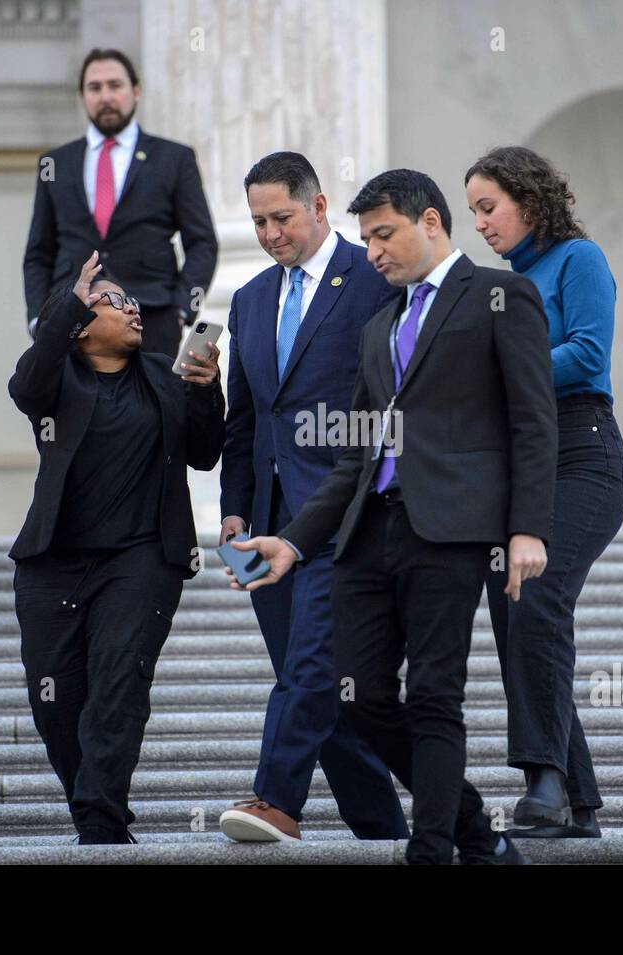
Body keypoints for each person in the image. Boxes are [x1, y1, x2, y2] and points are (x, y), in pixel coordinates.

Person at [228, 169, 558, 864]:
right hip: (364, 534)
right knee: (355, 694)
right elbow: (352, 457)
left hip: (449, 527)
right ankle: (475, 829)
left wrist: (529, 526)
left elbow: (534, 420)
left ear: (431, 222)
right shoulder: (381, 324)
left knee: (436, 694)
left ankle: (433, 848)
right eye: (367, 238)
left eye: (385, 234)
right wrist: (292, 542)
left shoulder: (501, 297)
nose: (373, 251)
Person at [216, 152, 409, 843]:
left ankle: (275, 799)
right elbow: (246, 422)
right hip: (267, 525)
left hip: (348, 513)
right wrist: (234, 508)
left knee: (309, 667)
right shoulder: (247, 300)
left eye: (281, 217)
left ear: (320, 207)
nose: (269, 233)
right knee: (330, 697)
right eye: (258, 220)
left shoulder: (373, 280)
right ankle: (384, 832)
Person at [8, 250, 224, 844]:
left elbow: (205, 451)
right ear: (78, 325)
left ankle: (102, 824)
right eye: (113, 301)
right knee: (55, 701)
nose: (133, 308)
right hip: (54, 563)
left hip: (142, 561)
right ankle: (95, 815)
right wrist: (69, 305)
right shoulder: (56, 381)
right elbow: (25, 386)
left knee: (117, 686)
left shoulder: (163, 373)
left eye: (132, 300)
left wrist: (208, 389)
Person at [465, 145, 623, 839]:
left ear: (528, 200)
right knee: (514, 610)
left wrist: (504, 366)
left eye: (487, 207)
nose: (480, 223)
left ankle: (541, 781)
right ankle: (577, 802)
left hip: (584, 453)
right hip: (524, 461)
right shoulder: (503, 282)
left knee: (537, 595)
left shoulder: (579, 260)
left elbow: (590, 352)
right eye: (472, 211)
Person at [23, 48, 218, 358]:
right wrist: (38, 319)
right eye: (94, 87)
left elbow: (203, 242)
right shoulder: (54, 163)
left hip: (152, 320)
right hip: (71, 320)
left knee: (156, 406)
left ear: (136, 91)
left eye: (115, 85)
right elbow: (38, 252)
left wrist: (183, 310)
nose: (105, 96)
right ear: (82, 96)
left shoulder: (174, 158)